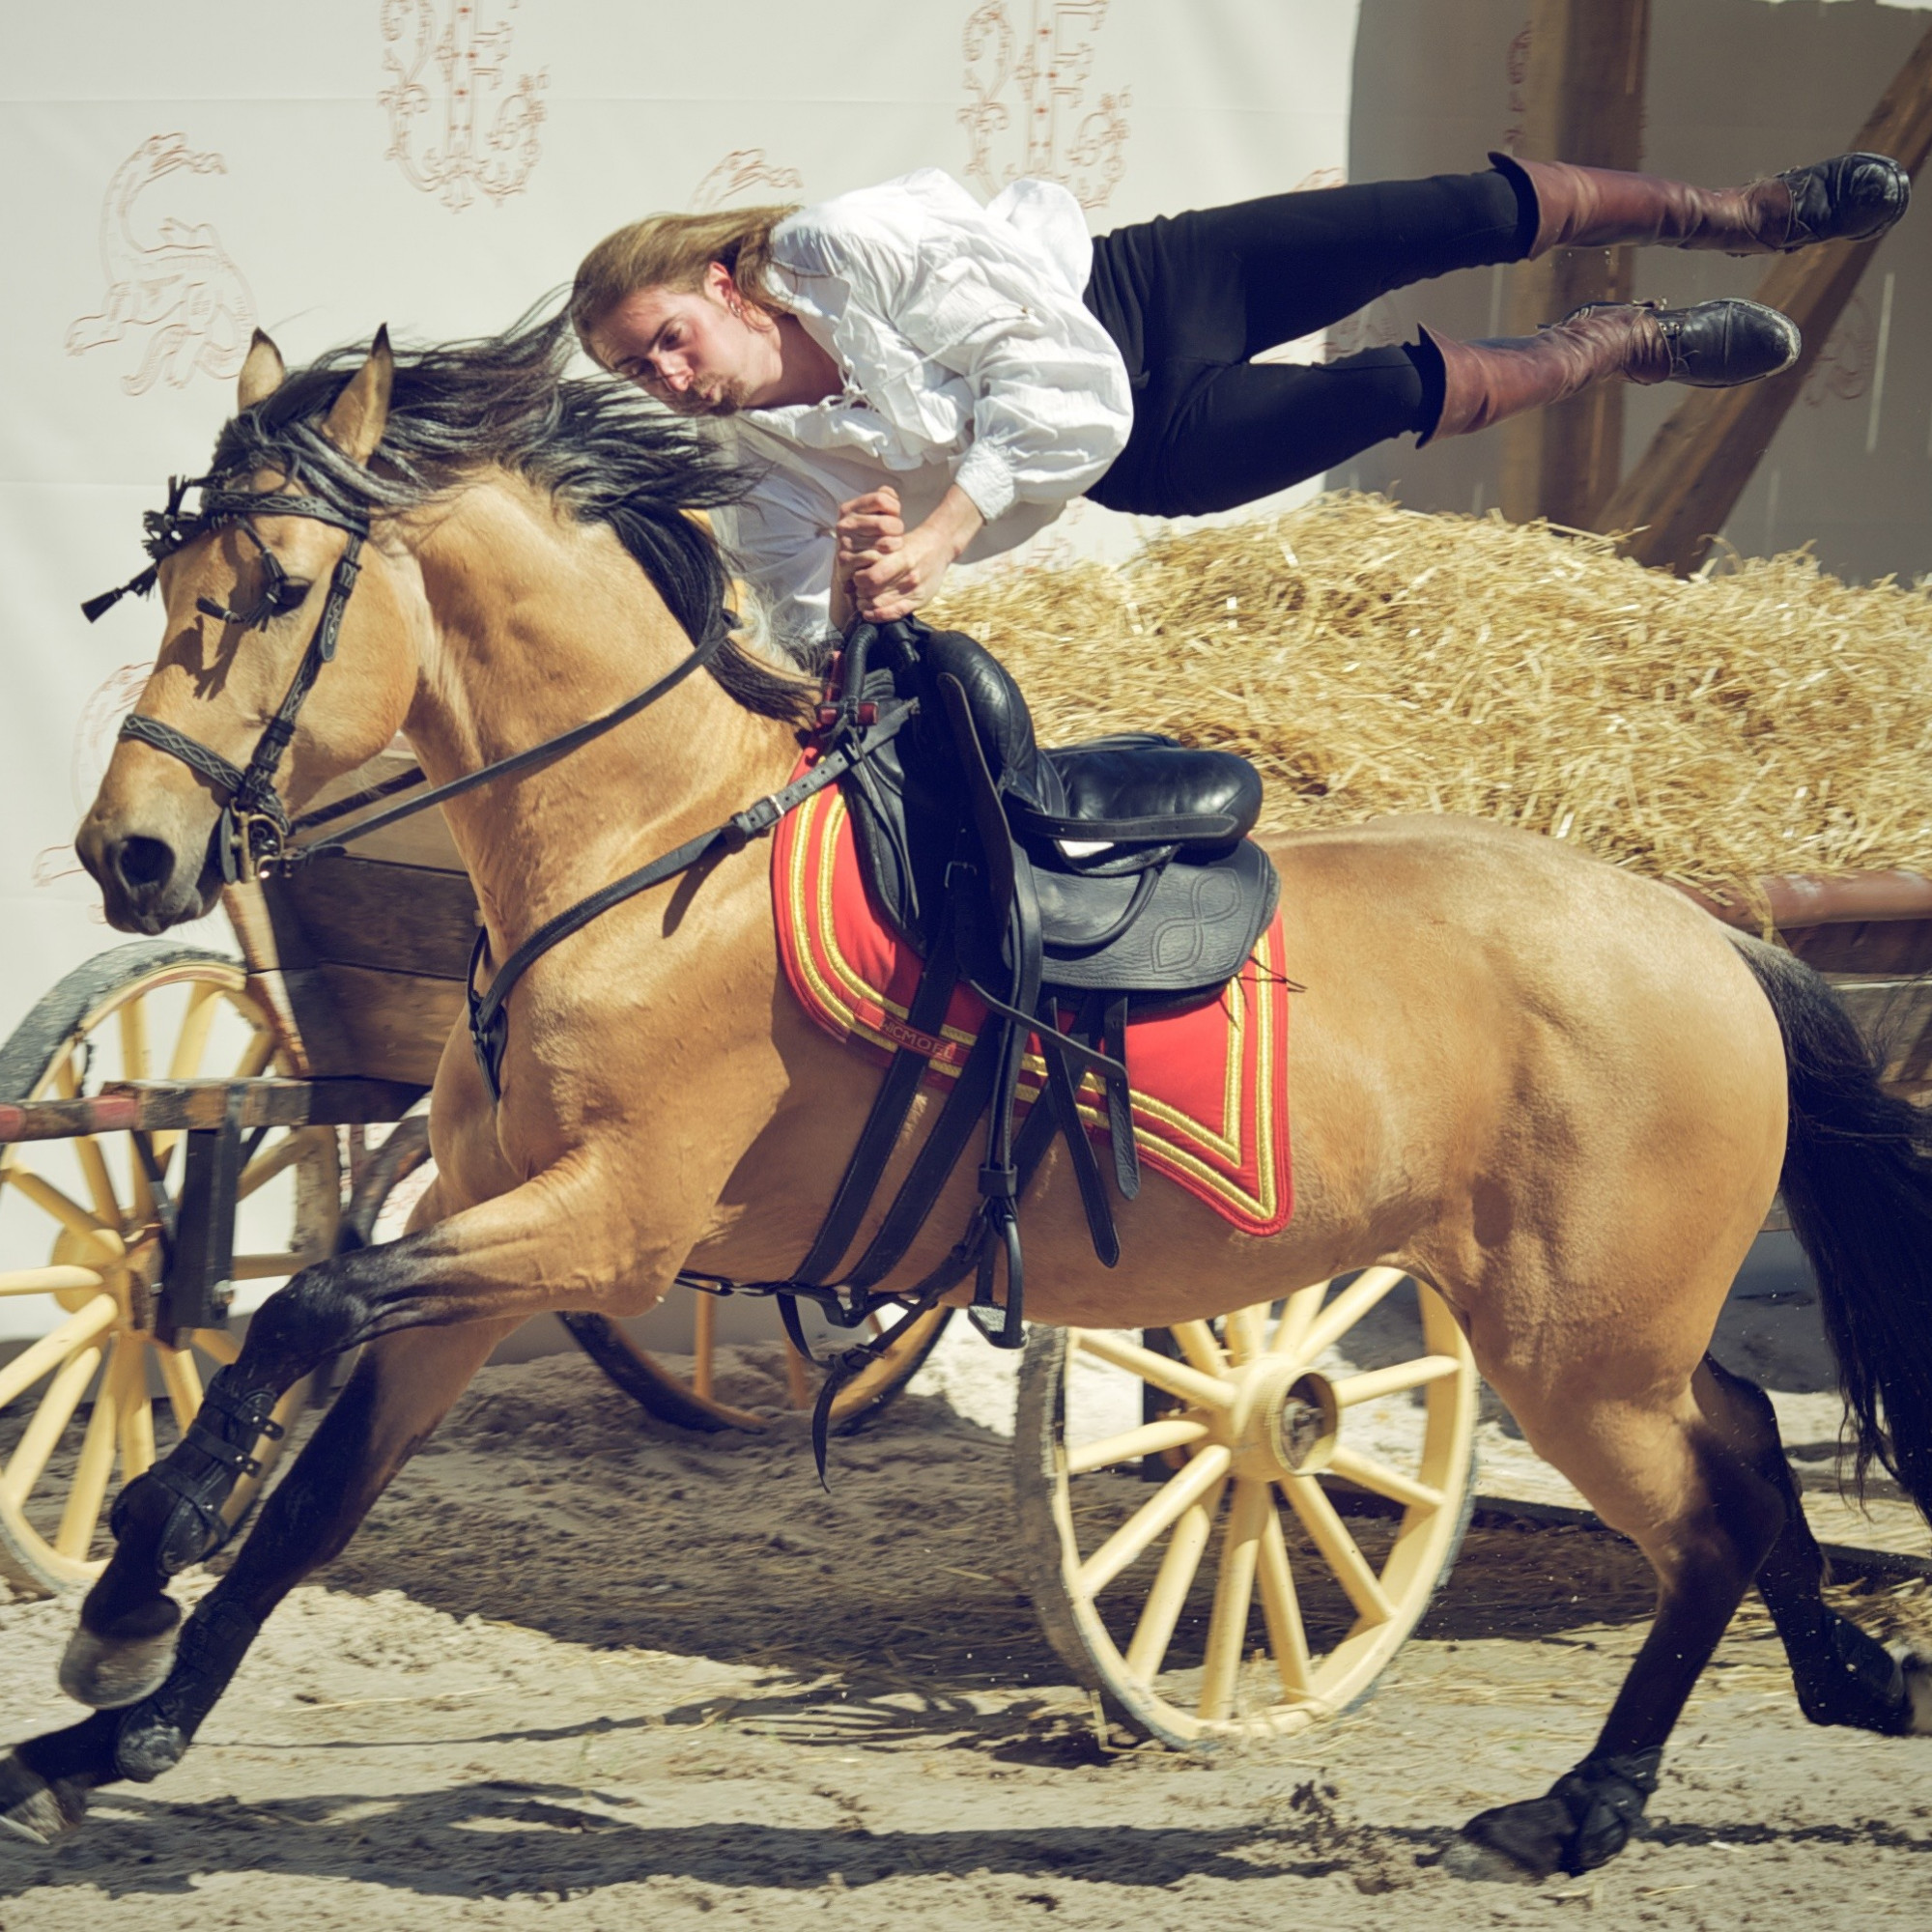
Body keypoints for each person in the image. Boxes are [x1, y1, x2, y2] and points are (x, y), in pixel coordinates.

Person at [570, 154, 1909, 662]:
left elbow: (1052, 376)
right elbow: (807, 606)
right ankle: (1623, 341)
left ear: (722, 280)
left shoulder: (840, 246)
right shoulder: (751, 455)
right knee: (1395, 387)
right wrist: (873, 594)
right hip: (1148, 451)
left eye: (666, 342)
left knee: (1451, 213)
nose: (668, 382)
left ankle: (1737, 207)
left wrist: (940, 530)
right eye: (640, 377)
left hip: (1151, 288)